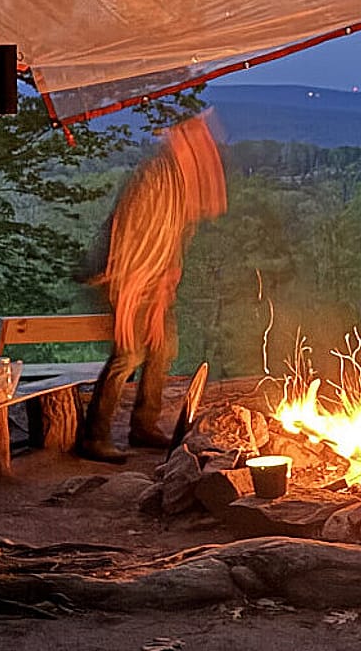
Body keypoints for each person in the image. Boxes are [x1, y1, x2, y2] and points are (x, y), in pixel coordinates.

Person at [75, 112, 227, 463]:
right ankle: (94, 436)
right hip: (123, 276)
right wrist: (129, 296)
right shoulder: (153, 179)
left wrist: (164, 285)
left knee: (163, 345)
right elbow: (128, 237)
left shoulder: (178, 186)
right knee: (129, 353)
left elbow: (172, 238)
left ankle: (144, 424)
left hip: (152, 279)